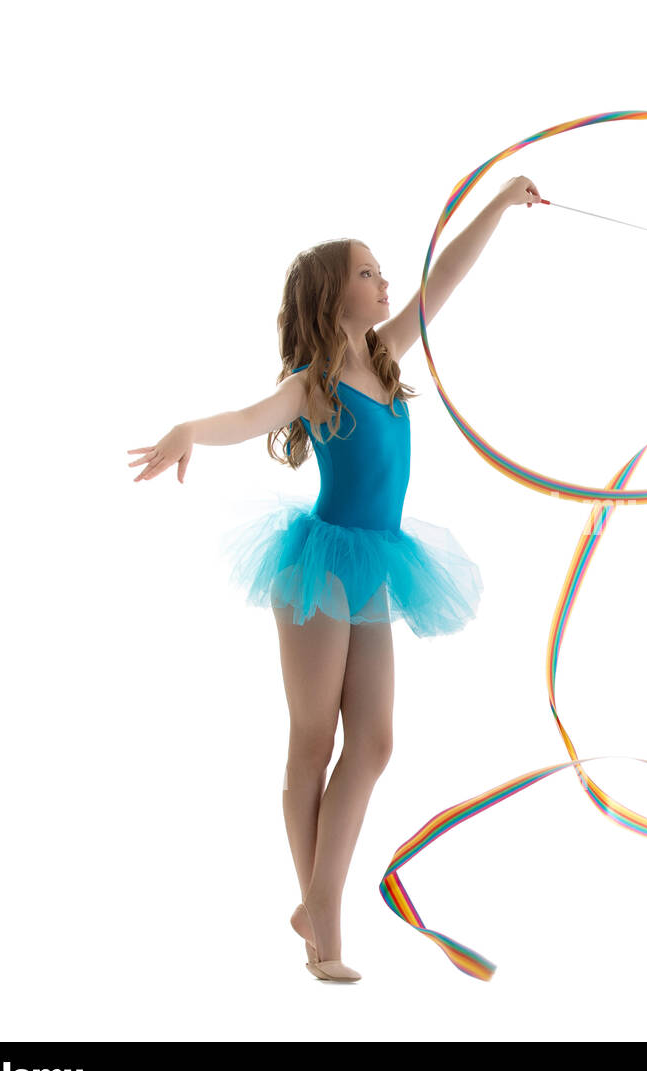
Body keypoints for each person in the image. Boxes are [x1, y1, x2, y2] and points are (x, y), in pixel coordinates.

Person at [126, 176, 543, 981]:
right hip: (319, 568)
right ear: (331, 294)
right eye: (368, 273)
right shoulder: (313, 384)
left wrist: (497, 203)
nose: (385, 282)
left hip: (380, 562)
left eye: (384, 273)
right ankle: (326, 935)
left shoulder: (389, 355)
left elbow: (446, 276)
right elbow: (247, 420)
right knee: (314, 739)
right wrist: (187, 431)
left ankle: (315, 899)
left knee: (376, 741)